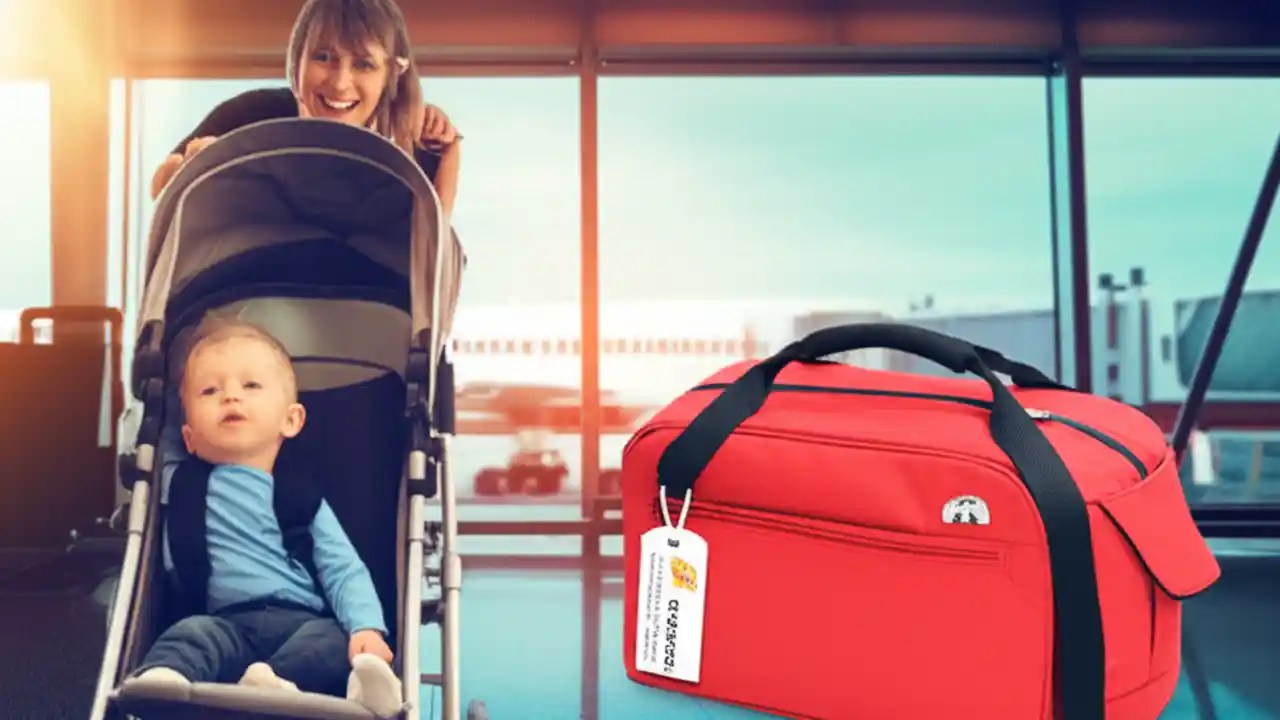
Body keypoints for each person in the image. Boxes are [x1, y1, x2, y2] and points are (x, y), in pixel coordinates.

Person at [131, 317, 403, 718]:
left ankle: (279, 680)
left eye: (251, 386)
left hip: (300, 621)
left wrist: (366, 627)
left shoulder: (299, 496)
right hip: (224, 622)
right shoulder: (181, 479)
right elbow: (166, 422)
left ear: (290, 420)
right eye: (210, 390)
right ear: (189, 437)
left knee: (333, 641)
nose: (230, 397)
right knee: (189, 635)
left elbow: (343, 569)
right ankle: (165, 681)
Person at [150, 0, 463, 216]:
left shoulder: (411, 145)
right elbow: (159, 188)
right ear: (296, 60)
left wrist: (446, 151)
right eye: (323, 58)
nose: (340, 83)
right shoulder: (249, 115)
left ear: (390, 75)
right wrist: (195, 166)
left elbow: (431, 261)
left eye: (364, 65)